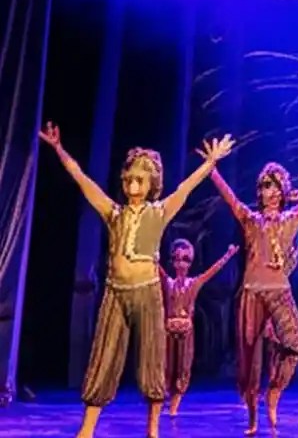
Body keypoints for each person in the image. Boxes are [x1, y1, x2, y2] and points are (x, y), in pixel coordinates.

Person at [39, 122, 234, 438]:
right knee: (104, 357)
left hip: (147, 292)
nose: (133, 185)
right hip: (116, 292)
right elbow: (83, 181)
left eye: (140, 179)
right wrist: (60, 149)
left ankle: (153, 428)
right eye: (129, 178)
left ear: (152, 182)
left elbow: (186, 188)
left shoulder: (159, 212)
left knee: (151, 360)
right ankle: (87, 429)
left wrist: (210, 163)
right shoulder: (113, 212)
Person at [209, 145, 298, 434]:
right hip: (251, 293)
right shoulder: (249, 219)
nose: (270, 193)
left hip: (279, 292)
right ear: (260, 192)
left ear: (283, 192)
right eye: (265, 187)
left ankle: (275, 392)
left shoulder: (292, 219)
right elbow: (229, 197)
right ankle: (254, 416)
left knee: (295, 342)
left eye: (275, 187)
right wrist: (212, 167)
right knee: (249, 357)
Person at [159, 240, 239, 416]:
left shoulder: (194, 283)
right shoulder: (168, 282)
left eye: (185, 259)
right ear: (172, 261)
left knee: (183, 368)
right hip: (169, 330)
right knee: (167, 367)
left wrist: (228, 255)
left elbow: (213, 271)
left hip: (186, 331)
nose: (181, 264)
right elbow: (154, 266)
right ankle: (162, 402)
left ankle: (173, 408)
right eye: (177, 259)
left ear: (190, 262)